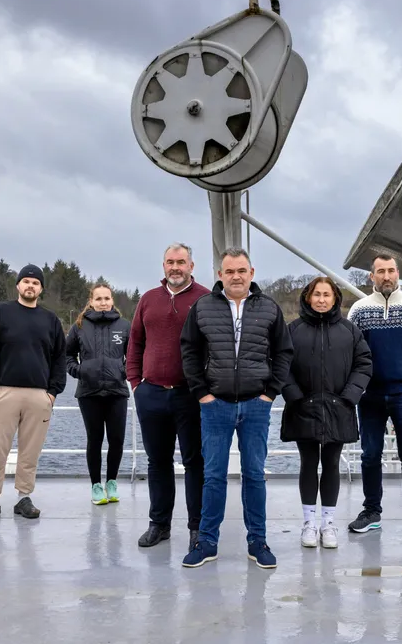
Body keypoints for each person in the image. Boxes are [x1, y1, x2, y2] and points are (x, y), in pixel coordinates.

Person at [179, 247, 294, 569]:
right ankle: (207, 541)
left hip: (256, 405)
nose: (236, 276)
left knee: (254, 475)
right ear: (220, 275)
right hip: (215, 405)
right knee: (213, 476)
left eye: (241, 270)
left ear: (252, 273)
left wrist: (271, 393)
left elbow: (284, 353)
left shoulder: (269, 308)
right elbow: (189, 351)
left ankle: (258, 541)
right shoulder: (203, 307)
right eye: (229, 271)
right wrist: (201, 393)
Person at [126, 243, 210, 550]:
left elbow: (214, 346)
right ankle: (159, 524)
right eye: (170, 262)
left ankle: (196, 528)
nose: (175, 267)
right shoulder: (148, 299)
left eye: (181, 262)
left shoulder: (205, 299)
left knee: (194, 462)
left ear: (191, 265)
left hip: (191, 395)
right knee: (157, 462)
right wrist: (136, 383)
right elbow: (135, 342)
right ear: (163, 266)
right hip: (152, 395)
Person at [346, 254, 402, 541]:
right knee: (370, 455)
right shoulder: (358, 310)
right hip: (370, 395)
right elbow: (352, 353)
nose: (387, 276)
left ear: (399, 273)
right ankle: (371, 511)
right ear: (371, 276)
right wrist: (358, 387)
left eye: (391, 270)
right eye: (380, 271)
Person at [281, 277, 372, 549]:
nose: (321, 299)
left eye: (327, 295)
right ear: (308, 297)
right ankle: (309, 523)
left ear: (335, 299)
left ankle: (328, 523)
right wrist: (293, 394)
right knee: (308, 462)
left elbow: (363, 363)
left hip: (339, 407)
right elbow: (280, 363)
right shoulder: (292, 330)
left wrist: (350, 396)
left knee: (331, 463)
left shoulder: (350, 331)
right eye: (317, 294)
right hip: (303, 407)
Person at [0, 264, 67, 522]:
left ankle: (23, 498)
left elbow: (60, 357)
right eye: (26, 281)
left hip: (39, 396)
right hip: (3, 393)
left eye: (35, 282)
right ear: (18, 285)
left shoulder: (50, 320)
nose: (30, 286)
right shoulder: (0, 313)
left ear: (41, 288)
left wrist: (52, 393)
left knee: (30, 453)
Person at [65, 283, 131, 505]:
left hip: (117, 392)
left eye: (107, 298)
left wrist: (123, 372)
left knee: (117, 440)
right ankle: (95, 486)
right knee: (95, 440)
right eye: (98, 299)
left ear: (112, 301)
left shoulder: (124, 326)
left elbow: (134, 356)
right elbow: (67, 355)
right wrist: (80, 371)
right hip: (89, 392)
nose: (103, 302)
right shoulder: (79, 326)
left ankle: (111, 482)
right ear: (91, 301)